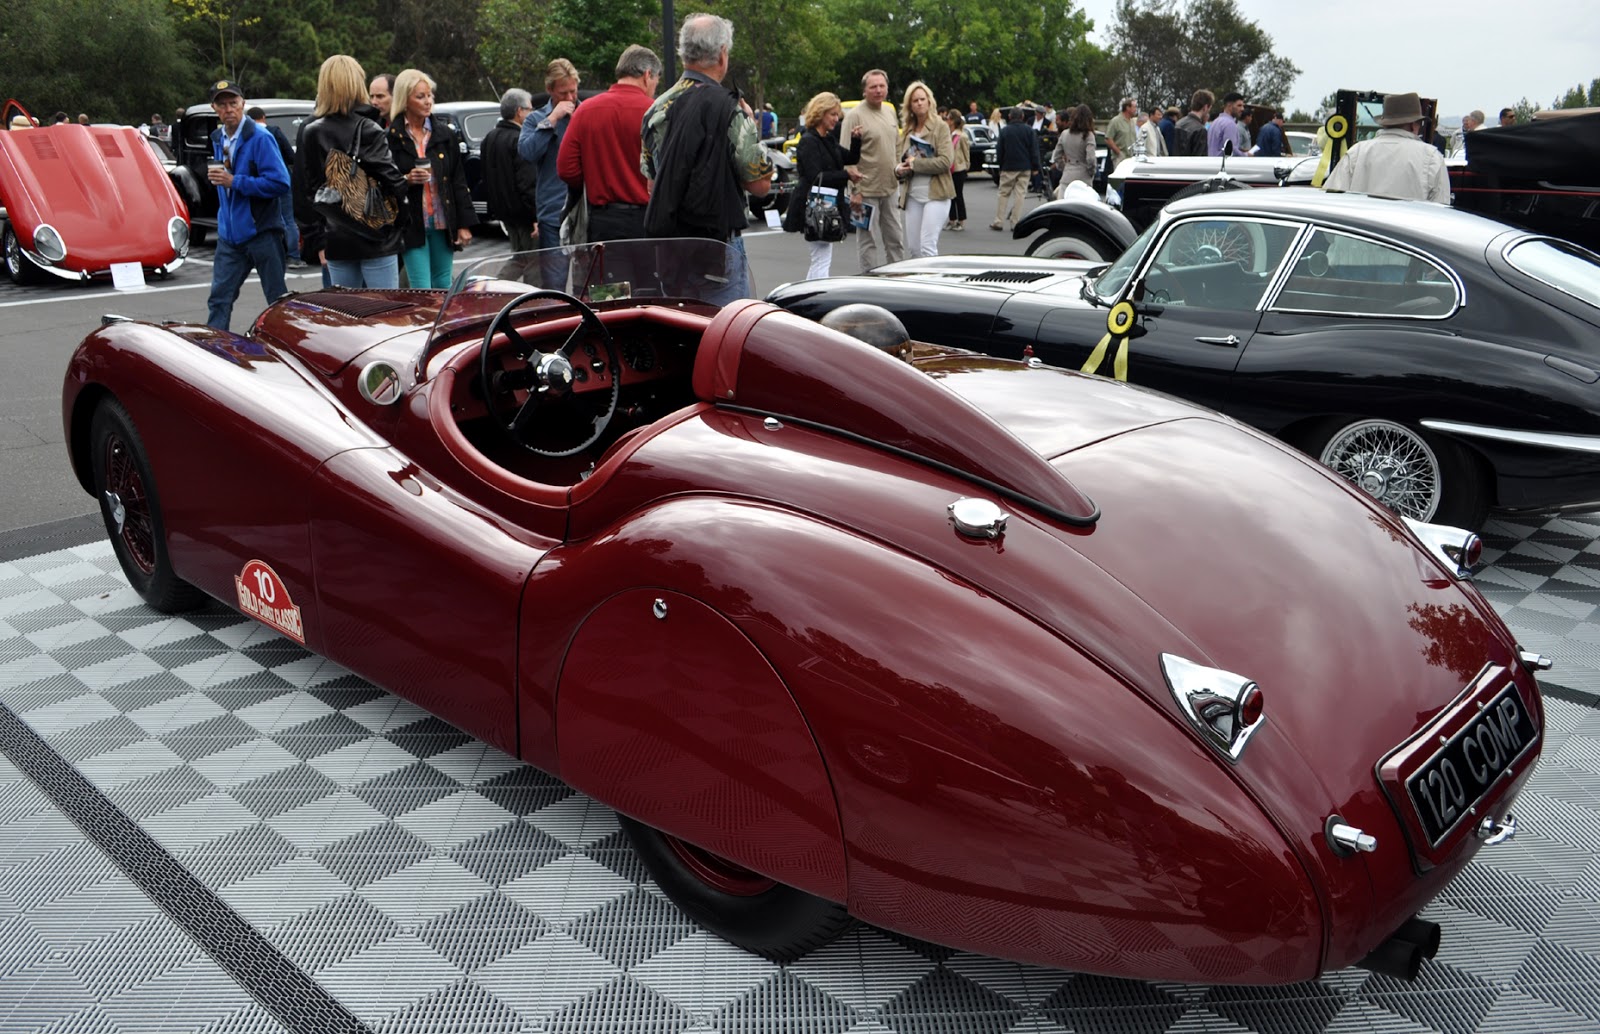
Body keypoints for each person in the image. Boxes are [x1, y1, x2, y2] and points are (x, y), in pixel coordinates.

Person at [640, 12, 773, 298]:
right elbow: (760, 184)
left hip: (672, 247)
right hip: (716, 244)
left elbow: (652, 185)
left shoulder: (655, 109)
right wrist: (750, 126)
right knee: (723, 333)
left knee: (680, 331)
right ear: (722, 55)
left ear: (683, 54)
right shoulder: (729, 108)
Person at [295, 55, 407, 290]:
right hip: (377, 236)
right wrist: (399, 224)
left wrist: (318, 242)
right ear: (356, 84)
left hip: (336, 237)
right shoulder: (369, 128)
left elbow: (307, 192)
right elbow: (393, 181)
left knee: (345, 314)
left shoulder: (310, 131)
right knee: (382, 314)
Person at [203, 80, 290, 331]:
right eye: (222, 105)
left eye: (233, 103)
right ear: (214, 108)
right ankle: (214, 353)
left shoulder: (260, 138)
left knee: (277, 301)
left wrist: (234, 181)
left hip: (262, 233)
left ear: (243, 104)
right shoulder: (218, 138)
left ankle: (287, 350)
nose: (229, 109)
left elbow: (281, 183)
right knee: (219, 299)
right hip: (230, 237)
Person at [558, 44, 661, 243]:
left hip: (602, 221)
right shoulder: (657, 112)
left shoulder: (585, 110)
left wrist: (596, 179)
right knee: (647, 274)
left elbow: (566, 169)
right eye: (656, 80)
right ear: (647, 75)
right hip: (647, 220)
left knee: (606, 274)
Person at [389, 69, 476, 289]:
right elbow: (385, 181)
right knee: (421, 287)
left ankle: (443, 324)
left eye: (430, 96)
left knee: (443, 284)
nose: (428, 102)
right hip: (412, 222)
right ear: (404, 100)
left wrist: (463, 223)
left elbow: (458, 179)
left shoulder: (444, 134)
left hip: (442, 220)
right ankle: (428, 323)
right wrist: (406, 179)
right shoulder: (391, 136)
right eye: (420, 96)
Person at [783, 91, 862, 279]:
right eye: (833, 114)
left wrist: (856, 140)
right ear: (820, 113)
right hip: (813, 205)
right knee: (821, 256)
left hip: (824, 205)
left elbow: (850, 157)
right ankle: (815, 295)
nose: (837, 119)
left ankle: (811, 293)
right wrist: (846, 174)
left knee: (821, 256)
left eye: (837, 115)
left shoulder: (827, 139)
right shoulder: (809, 141)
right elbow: (815, 176)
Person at [1323, 92, 1450, 204]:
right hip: (1409, 229)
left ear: (1385, 124)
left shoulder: (1357, 151)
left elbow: (1332, 198)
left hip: (1360, 228)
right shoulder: (1432, 157)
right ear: (1413, 125)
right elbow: (1441, 206)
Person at [519, 58, 580, 287]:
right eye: (563, 93)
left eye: (573, 91)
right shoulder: (536, 119)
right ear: (549, 90)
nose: (569, 98)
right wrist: (552, 119)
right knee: (555, 283)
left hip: (586, 211)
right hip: (554, 212)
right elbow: (527, 152)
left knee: (591, 282)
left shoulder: (586, 113)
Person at [841, 69, 905, 271]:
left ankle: (898, 277)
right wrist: (854, 190)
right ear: (864, 91)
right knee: (868, 242)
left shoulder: (890, 111)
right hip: (865, 191)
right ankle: (869, 280)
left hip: (890, 187)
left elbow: (896, 144)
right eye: (873, 87)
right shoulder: (854, 116)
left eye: (882, 86)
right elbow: (845, 155)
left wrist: (898, 168)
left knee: (895, 238)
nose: (878, 90)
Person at [894, 80, 954, 259]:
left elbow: (946, 161)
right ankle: (917, 283)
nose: (919, 103)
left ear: (929, 101)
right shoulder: (907, 130)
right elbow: (900, 160)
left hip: (936, 194)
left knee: (928, 247)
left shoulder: (940, 127)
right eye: (915, 100)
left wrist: (916, 164)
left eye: (922, 99)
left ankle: (932, 285)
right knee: (914, 249)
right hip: (912, 194)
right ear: (910, 106)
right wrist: (899, 169)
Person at [482, 89, 538, 253]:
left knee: (519, 255)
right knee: (530, 261)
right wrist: (534, 215)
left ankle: (500, 279)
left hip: (503, 212)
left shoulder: (489, 138)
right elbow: (526, 181)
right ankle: (497, 279)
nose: (532, 113)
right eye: (530, 109)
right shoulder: (520, 139)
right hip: (524, 213)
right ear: (519, 111)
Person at [247, 106, 302, 267]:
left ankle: (265, 256)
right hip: (281, 179)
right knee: (288, 219)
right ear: (263, 117)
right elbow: (291, 156)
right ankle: (293, 256)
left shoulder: (247, 135)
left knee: (262, 219)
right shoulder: (275, 132)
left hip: (258, 182)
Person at [990, 105, 1038, 231]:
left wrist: (1000, 165)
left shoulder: (1005, 131)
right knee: (1020, 194)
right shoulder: (1029, 131)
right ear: (1022, 117)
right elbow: (1034, 150)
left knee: (1003, 193)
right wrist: (1035, 166)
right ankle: (1015, 222)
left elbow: (1000, 150)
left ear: (1010, 117)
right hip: (1024, 166)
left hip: (1008, 166)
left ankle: (999, 221)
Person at [1051, 104, 1096, 196]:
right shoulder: (1088, 135)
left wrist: (1064, 167)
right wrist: (1091, 172)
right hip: (1083, 177)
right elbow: (1091, 159)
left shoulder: (1064, 134)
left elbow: (1057, 156)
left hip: (1067, 175)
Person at [943, 110, 969, 231]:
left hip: (959, 169)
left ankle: (961, 221)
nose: (946, 121)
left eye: (948, 118)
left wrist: (966, 166)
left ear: (952, 120)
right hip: (949, 169)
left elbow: (966, 152)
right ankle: (951, 219)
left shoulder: (962, 136)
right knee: (950, 195)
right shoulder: (948, 134)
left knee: (958, 195)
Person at [1207, 92, 1248, 156]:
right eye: (1239, 105)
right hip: (1223, 164)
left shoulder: (1215, 122)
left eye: (1243, 106)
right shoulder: (1230, 124)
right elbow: (1232, 151)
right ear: (1229, 106)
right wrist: (1247, 155)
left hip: (1212, 163)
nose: (1242, 109)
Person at [1174, 90, 1212, 156]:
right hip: (1191, 165)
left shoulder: (1178, 124)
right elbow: (1200, 159)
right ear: (1205, 107)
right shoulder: (1200, 130)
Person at [1105, 97, 1137, 164]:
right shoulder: (1115, 121)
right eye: (1134, 107)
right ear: (1128, 108)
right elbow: (1108, 139)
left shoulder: (1133, 122)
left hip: (1132, 158)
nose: (1135, 110)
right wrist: (1119, 152)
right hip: (1120, 159)